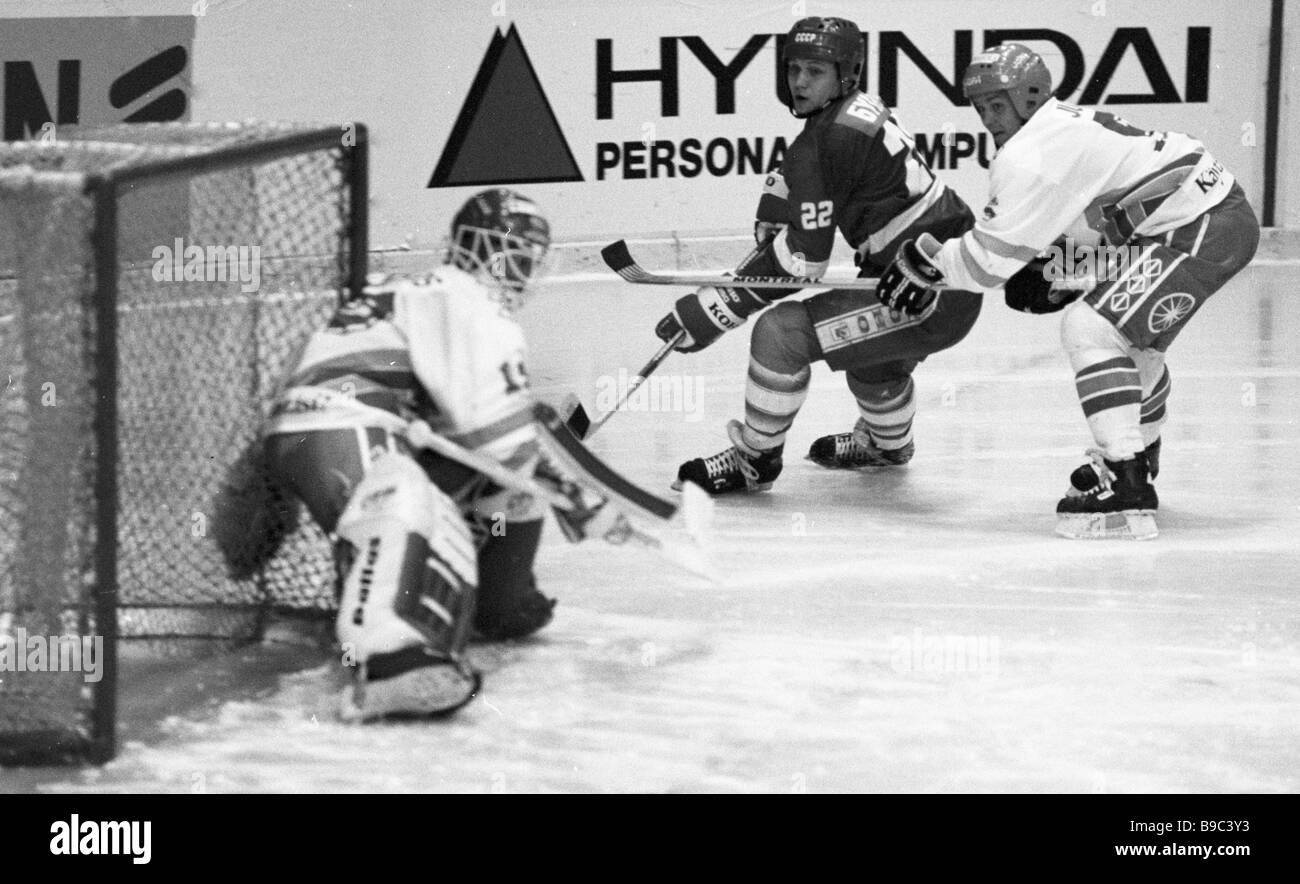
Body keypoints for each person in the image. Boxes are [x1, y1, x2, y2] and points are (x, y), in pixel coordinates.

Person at [874, 42, 1260, 539]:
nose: (989, 118)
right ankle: (1137, 454)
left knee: (1093, 330)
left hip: (1199, 228)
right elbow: (1094, 212)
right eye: (981, 108)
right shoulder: (1057, 127)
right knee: (1130, 342)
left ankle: (1128, 485)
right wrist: (1058, 267)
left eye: (997, 105)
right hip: (1195, 220)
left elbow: (985, 266)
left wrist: (928, 264)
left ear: (1029, 98)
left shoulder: (1032, 152)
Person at [655, 16, 981, 495]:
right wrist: (778, 201)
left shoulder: (826, 141)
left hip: (924, 292)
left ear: (845, 73)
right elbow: (822, 168)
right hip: (939, 274)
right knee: (872, 363)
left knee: (781, 333)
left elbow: (803, 264)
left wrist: (717, 307)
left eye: (815, 71)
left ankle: (754, 460)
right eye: (793, 70)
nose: (800, 83)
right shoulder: (858, 110)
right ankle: (889, 447)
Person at [261, 189, 555, 720]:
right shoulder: (464, 296)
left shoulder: (411, 290)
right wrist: (562, 481)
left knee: (481, 481)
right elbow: (500, 444)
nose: (518, 271)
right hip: (344, 430)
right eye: (511, 254)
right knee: (410, 495)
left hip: (290, 439)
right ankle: (394, 659)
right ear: (471, 249)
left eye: (529, 260)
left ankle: (495, 602)